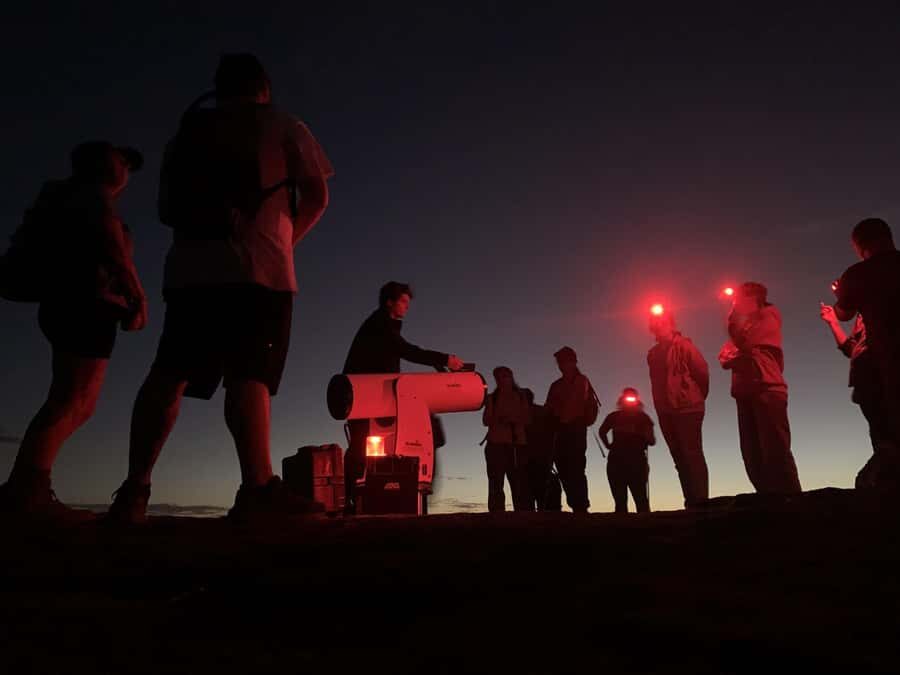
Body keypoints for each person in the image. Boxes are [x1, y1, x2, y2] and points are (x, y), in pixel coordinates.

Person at [107, 53, 333, 524]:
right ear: (264, 87)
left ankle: (133, 490)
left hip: (190, 271)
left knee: (169, 372)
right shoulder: (283, 124)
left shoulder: (187, 134)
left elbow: (166, 207)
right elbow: (317, 196)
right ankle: (257, 488)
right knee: (250, 374)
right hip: (259, 270)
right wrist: (284, 243)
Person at [0, 141, 147, 522]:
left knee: (74, 400)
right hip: (85, 305)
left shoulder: (64, 197)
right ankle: (27, 491)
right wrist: (137, 297)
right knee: (73, 399)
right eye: (122, 160)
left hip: (67, 304)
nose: (126, 170)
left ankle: (25, 486)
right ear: (101, 162)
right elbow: (112, 244)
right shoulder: (92, 196)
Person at [341, 281, 466, 514]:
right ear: (390, 302)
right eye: (403, 301)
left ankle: (357, 499)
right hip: (365, 396)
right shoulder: (380, 324)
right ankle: (351, 500)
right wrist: (444, 359)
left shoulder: (382, 324)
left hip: (370, 396)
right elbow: (407, 350)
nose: (407, 306)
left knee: (362, 447)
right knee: (360, 448)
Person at [833, 218, 900, 486]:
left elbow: (844, 312)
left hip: (879, 363)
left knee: (885, 435)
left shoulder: (857, 274)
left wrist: (840, 295)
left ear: (859, 245)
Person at [718, 282, 801, 495]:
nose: (734, 302)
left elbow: (744, 346)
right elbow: (726, 355)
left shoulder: (768, 316)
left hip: (767, 389)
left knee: (775, 450)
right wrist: (736, 354)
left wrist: (733, 323)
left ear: (753, 298)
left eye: (738, 298)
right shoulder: (744, 325)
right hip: (745, 392)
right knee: (751, 453)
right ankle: (768, 498)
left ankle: (792, 500)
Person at [819, 304, 892, 488]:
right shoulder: (863, 313)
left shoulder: (881, 304)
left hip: (881, 376)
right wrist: (833, 322)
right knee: (880, 435)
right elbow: (852, 348)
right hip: (866, 380)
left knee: (888, 436)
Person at [647, 310, 710, 507]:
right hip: (665, 411)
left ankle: (701, 500)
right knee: (679, 457)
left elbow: (702, 372)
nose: (659, 325)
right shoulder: (653, 354)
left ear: (671, 324)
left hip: (688, 408)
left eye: (663, 321)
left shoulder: (685, 346)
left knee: (692, 455)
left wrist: (693, 397)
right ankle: (691, 501)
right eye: (656, 322)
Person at [544, 346, 599, 513]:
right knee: (564, 467)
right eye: (560, 362)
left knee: (575, 467)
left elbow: (574, 406)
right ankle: (577, 504)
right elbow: (549, 407)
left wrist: (559, 416)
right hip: (561, 430)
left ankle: (580, 506)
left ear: (573, 361)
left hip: (575, 428)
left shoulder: (581, 380)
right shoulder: (556, 385)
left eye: (565, 361)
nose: (562, 365)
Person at [597, 388, 656, 513]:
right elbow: (602, 431)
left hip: (634, 462)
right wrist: (608, 445)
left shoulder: (643, 418)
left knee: (640, 499)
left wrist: (608, 445)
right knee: (623, 500)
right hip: (620, 461)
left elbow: (652, 441)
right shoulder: (615, 417)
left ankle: (644, 523)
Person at [481, 367, 530, 512]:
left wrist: (512, 419)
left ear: (510, 377)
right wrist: (499, 419)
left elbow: (527, 418)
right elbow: (485, 420)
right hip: (496, 446)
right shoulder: (492, 398)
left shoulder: (521, 396)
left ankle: (521, 516)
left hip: (516, 446)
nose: (501, 379)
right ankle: (497, 517)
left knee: (518, 485)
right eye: (498, 377)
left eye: (504, 376)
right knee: (496, 485)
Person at [521, 388, 559, 511]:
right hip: (542, 455)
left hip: (533, 456)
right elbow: (553, 431)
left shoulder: (524, 414)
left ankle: (536, 512)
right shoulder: (542, 411)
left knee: (531, 488)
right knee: (540, 487)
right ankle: (543, 510)